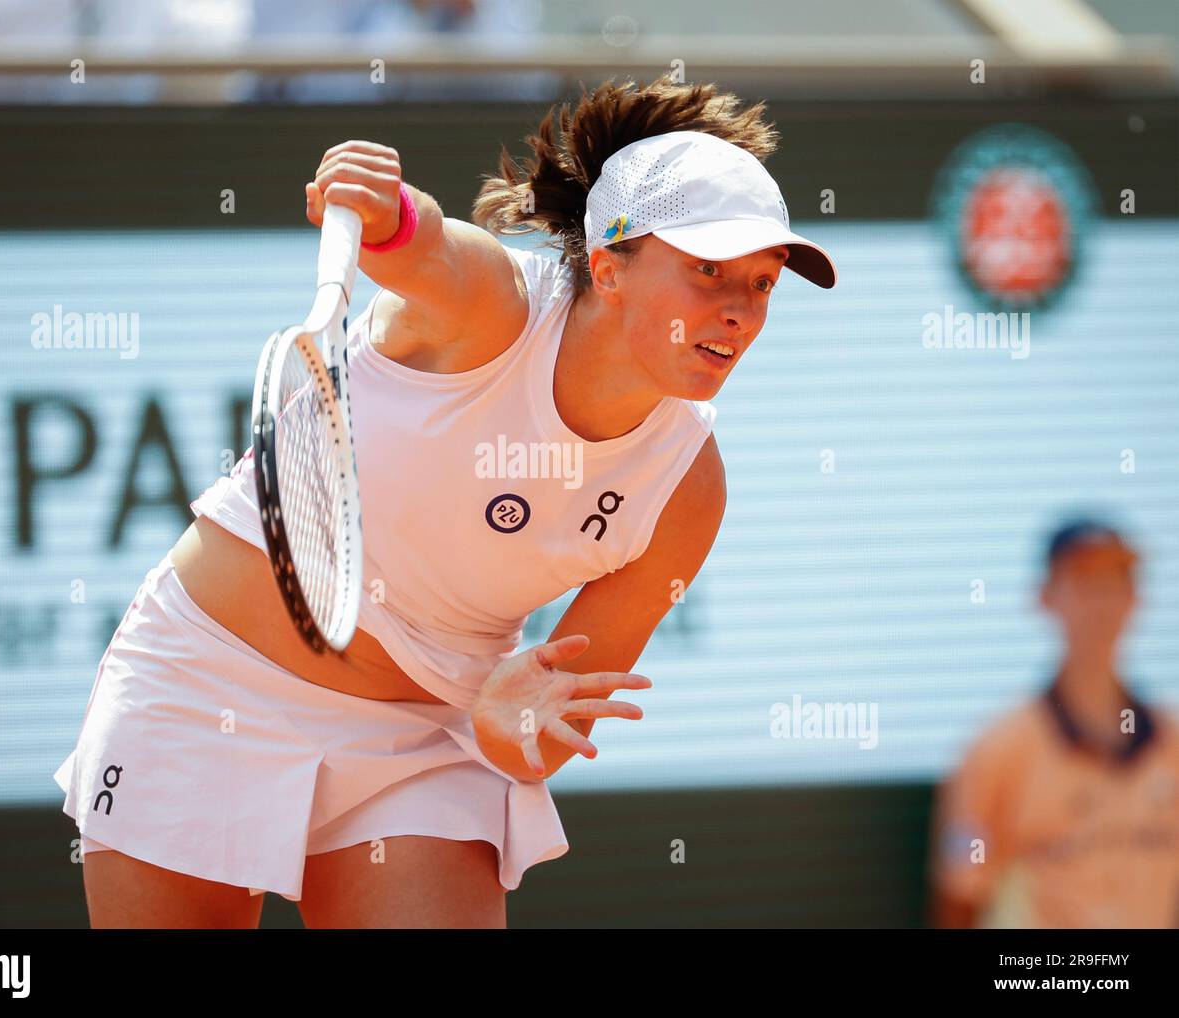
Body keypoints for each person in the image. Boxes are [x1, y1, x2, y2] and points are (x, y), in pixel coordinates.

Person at [53, 75, 837, 928]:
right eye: (707, 271)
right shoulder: (490, 301)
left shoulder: (689, 488)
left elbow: (544, 723)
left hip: (422, 739)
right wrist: (379, 206)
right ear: (608, 268)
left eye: (761, 284)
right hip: (209, 684)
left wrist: (512, 730)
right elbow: (416, 241)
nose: (737, 311)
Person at [931, 519, 1179, 928]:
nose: (1101, 602)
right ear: (1046, 597)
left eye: (1115, 581)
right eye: (1084, 582)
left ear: (1135, 597)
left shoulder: (1170, 747)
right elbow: (960, 896)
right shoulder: (998, 753)